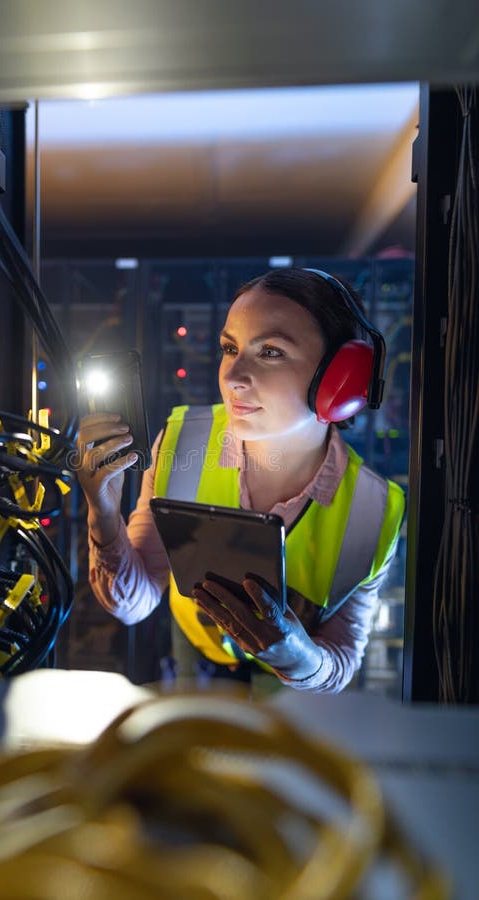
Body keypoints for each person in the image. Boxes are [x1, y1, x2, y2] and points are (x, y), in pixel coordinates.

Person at [76, 268, 405, 693]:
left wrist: (293, 652)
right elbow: (134, 603)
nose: (232, 378)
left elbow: (341, 659)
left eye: (270, 351)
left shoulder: (374, 511)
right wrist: (102, 510)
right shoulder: (181, 440)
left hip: (292, 693)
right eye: (230, 348)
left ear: (341, 381)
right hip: (196, 660)